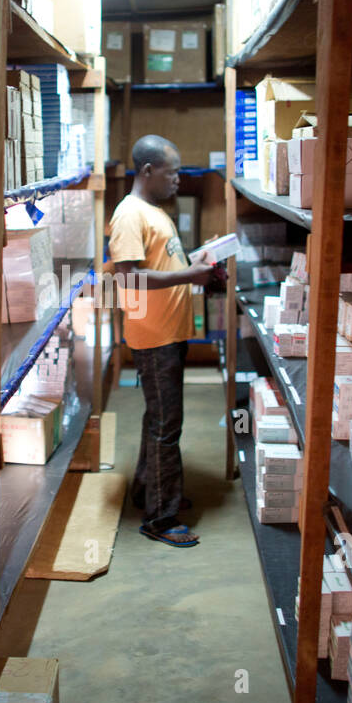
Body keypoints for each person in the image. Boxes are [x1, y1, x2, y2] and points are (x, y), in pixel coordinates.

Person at [107, 135, 226, 548]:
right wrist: (188, 277)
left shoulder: (154, 212)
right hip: (154, 338)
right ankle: (161, 517)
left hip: (169, 333)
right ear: (146, 171)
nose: (178, 180)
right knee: (166, 426)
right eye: (171, 172)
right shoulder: (129, 215)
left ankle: (147, 491)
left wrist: (196, 263)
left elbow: (162, 264)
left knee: (157, 419)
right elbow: (126, 276)